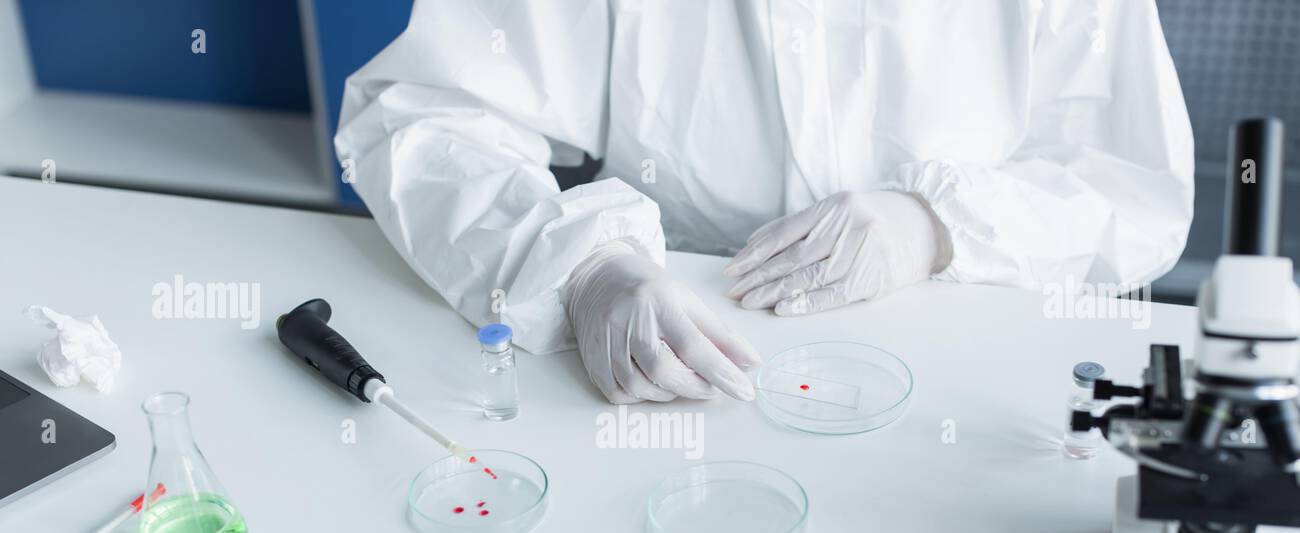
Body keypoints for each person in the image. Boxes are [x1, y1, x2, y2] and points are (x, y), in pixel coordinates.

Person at [337, 0, 1193, 405]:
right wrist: (578, 265)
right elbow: (423, 113)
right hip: (676, 365)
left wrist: (940, 226)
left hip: (965, 380)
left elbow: (1133, 186)